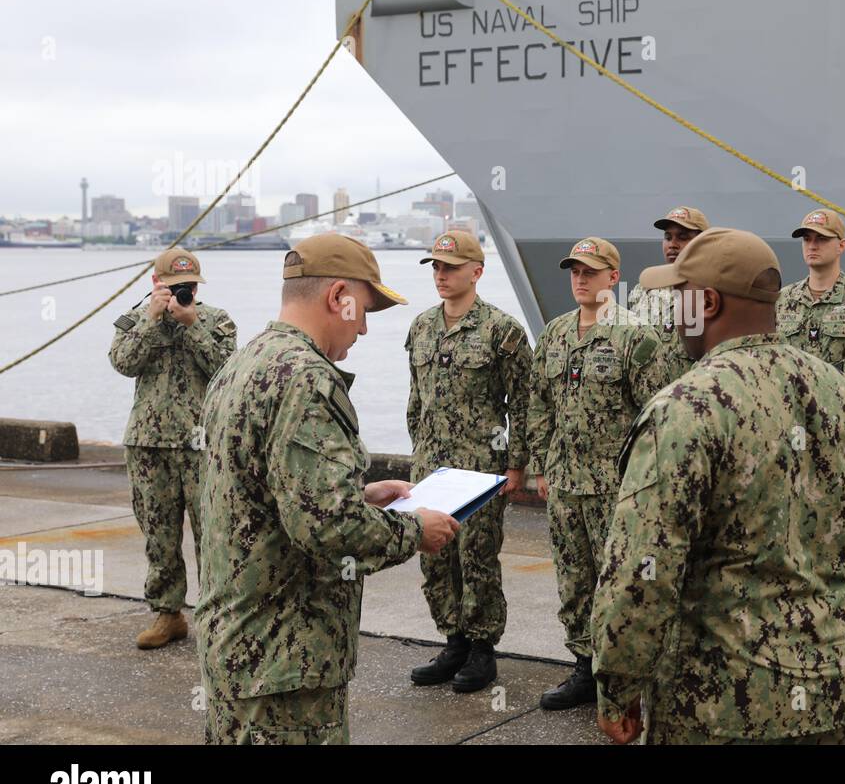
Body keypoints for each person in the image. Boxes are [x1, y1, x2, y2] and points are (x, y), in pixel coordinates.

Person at [591, 228, 845, 745]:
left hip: (721, 705)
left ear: (709, 301)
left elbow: (641, 567)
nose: (675, 313)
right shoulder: (843, 392)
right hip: (835, 694)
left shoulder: (686, 407)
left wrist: (618, 685)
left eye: (679, 297)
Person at [196, 234, 459, 744]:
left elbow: (260, 496)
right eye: (363, 310)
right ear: (337, 294)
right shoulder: (307, 379)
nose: (362, 326)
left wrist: (360, 496)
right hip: (284, 660)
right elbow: (328, 527)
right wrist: (414, 531)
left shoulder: (245, 362)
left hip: (238, 643)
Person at [525, 237, 667, 711]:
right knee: (573, 581)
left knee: (623, 583)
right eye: (574, 271)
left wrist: (644, 482)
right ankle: (583, 668)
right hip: (566, 484)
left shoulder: (637, 337)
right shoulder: (556, 334)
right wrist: (541, 463)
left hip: (615, 486)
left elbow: (656, 416)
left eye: (590, 271)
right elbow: (539, 402)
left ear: (613, 277)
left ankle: (623, 676)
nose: (580, 279)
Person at [405, 231, 532, 693]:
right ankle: (453, 641)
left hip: (480, 466)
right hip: (430, 466)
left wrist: (516, 466)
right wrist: (418, 452)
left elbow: (523, 403)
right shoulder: (420, 327)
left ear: (476, 272)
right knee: (435, 557)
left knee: (477, 558)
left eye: (451, 267)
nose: (441, 275)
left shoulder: (502, 330)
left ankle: (482, 651)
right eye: (436, 267)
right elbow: (415, 399)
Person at [108, 248, 236, 649]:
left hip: (201, 445)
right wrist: (151, 319)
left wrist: (193, 324)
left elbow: (228, 368)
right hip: (149, 444)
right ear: (156, 284)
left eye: (191, 287)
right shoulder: (136, 320)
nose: (185, 293)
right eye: (177, 287)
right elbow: (122, 362)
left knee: (212, 533)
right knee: (158, 535)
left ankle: (217, 616)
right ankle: (168, 614)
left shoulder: (216, 320)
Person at [776, 208, 845, 370]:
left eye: (821, 239)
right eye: (807, 239)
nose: (812, 246)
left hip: (844, 392)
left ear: (841, 246)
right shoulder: (783, 299)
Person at [626, 206, 710, 382]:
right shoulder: (643, 290)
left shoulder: (715, 292)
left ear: (704, 243)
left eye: (682, 237)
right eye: (667, 237)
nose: (672, 244)